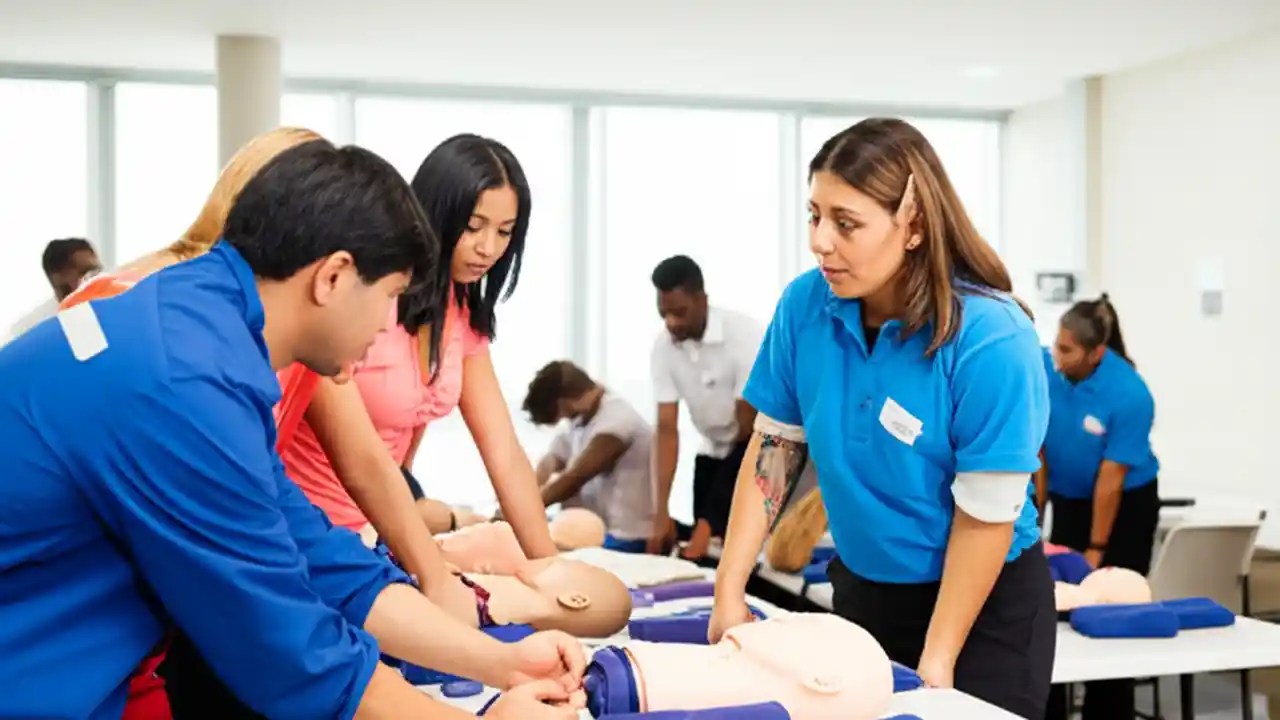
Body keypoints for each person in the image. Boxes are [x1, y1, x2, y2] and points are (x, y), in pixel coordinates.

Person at [0, 138, 581, 719]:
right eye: (392, 296)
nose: (387, 325)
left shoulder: (200, 330)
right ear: (333, 276)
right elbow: (284, 645)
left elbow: (318, 553)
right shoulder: (182, 381)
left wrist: (501, 663)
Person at [708, 118, 1056, 720]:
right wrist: (729, 588)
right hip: (864, 591)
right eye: (814, 215)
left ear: (913, 225)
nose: (821, 240)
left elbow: (987, 514)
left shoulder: (991, 337)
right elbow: (775, 449)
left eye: (847, 223)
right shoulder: (804, 305)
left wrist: (939, 657)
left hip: (983, 608)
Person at [278, 133, 558, 622]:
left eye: (505, 232)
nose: (488, 247)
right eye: (474, 227)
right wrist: (427, 572)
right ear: (437, 213)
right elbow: (363, 461)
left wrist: (550, 568)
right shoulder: (366, 300)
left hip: (381, 529)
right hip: (316, 534)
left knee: (576, 592)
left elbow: (505, 453)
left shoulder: (461, 315)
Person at [1038, 294, 1159, 720]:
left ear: (1096, 352)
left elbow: (1111, 482)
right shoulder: (1046, 371)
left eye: (1067, 349)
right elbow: (1038, 452)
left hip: (1125, 510)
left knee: (1112, 614)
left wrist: (1095, 549)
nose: (1057, 353)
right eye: (1057, 342)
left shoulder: (1129, 394)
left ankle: (1108, 712)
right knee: (1052, 609)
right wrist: (1033, 521)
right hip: (1070, 501)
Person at [648, 255, 764, 558]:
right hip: (713, 448)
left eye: (680, 312)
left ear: (702, 300)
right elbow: (666, 430)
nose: (672, 323)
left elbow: (750, 433)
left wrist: (707, 524)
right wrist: (660, 513)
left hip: (758, 445)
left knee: (722, 541)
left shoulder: (744, 334)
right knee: (702, 555)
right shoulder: (664, 348)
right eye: (665, 314)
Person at [523, 360, 656, 552]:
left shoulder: (617, 420)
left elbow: (574, 478)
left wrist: (522, 508)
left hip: (624, 536)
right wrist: (529, 488)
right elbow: (552, 460)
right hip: (597, 531)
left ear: (563, 403)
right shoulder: (581, 417)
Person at [6, 237, 102, 342]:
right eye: (85, 273)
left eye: (97, 272)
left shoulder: (109, 315)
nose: (95, 279)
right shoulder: (26, 333)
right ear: (58, 277)